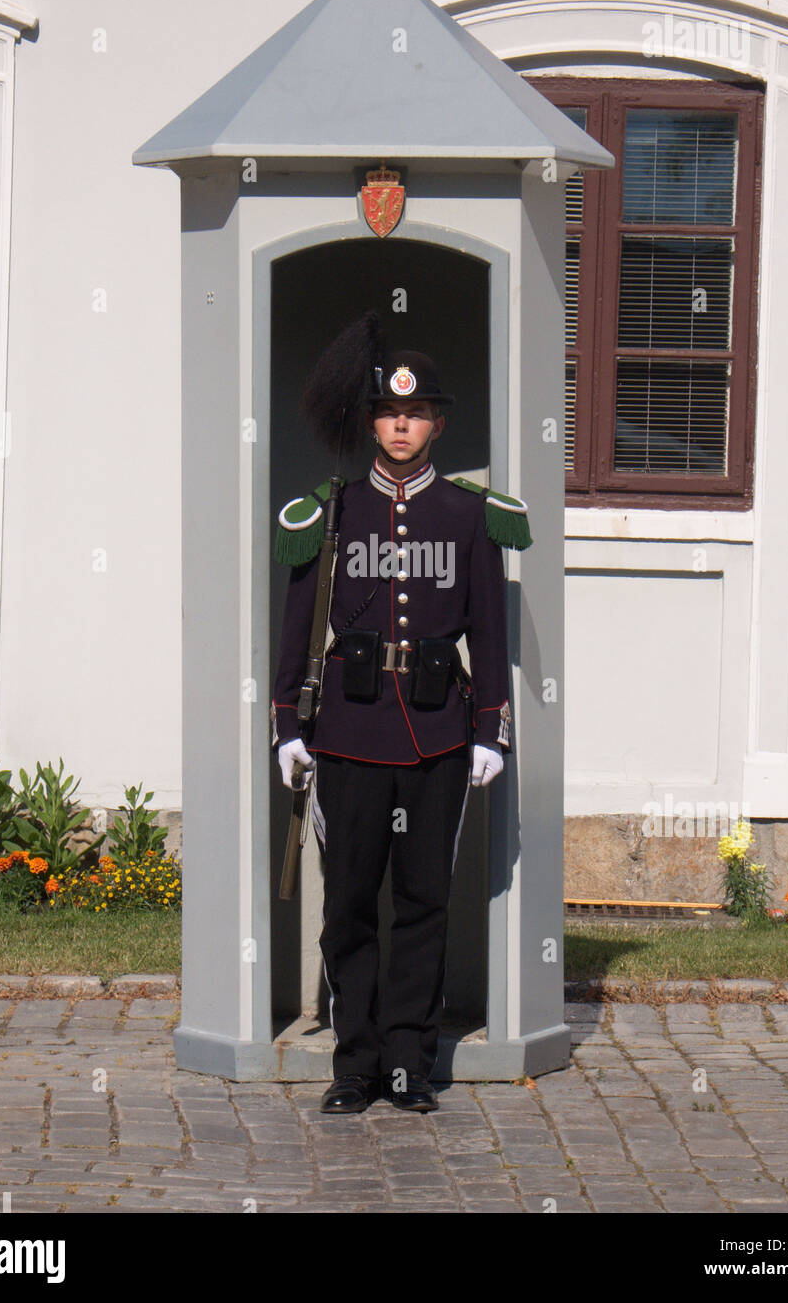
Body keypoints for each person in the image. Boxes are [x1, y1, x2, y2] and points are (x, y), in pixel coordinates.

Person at [270, 346, 531, 1113]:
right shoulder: (328, 511)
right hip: (346, 734)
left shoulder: (469, 514)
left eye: (414, 414)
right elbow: (295, 632)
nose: (400, 426)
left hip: (435, 736)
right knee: (347, 905)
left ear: (436, 425)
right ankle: (354, 1064)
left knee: (423, 905)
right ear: (370, 422)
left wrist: (490, 730)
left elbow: (487, 632)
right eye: (388, 413)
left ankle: (408, 1066)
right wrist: (287, 724)